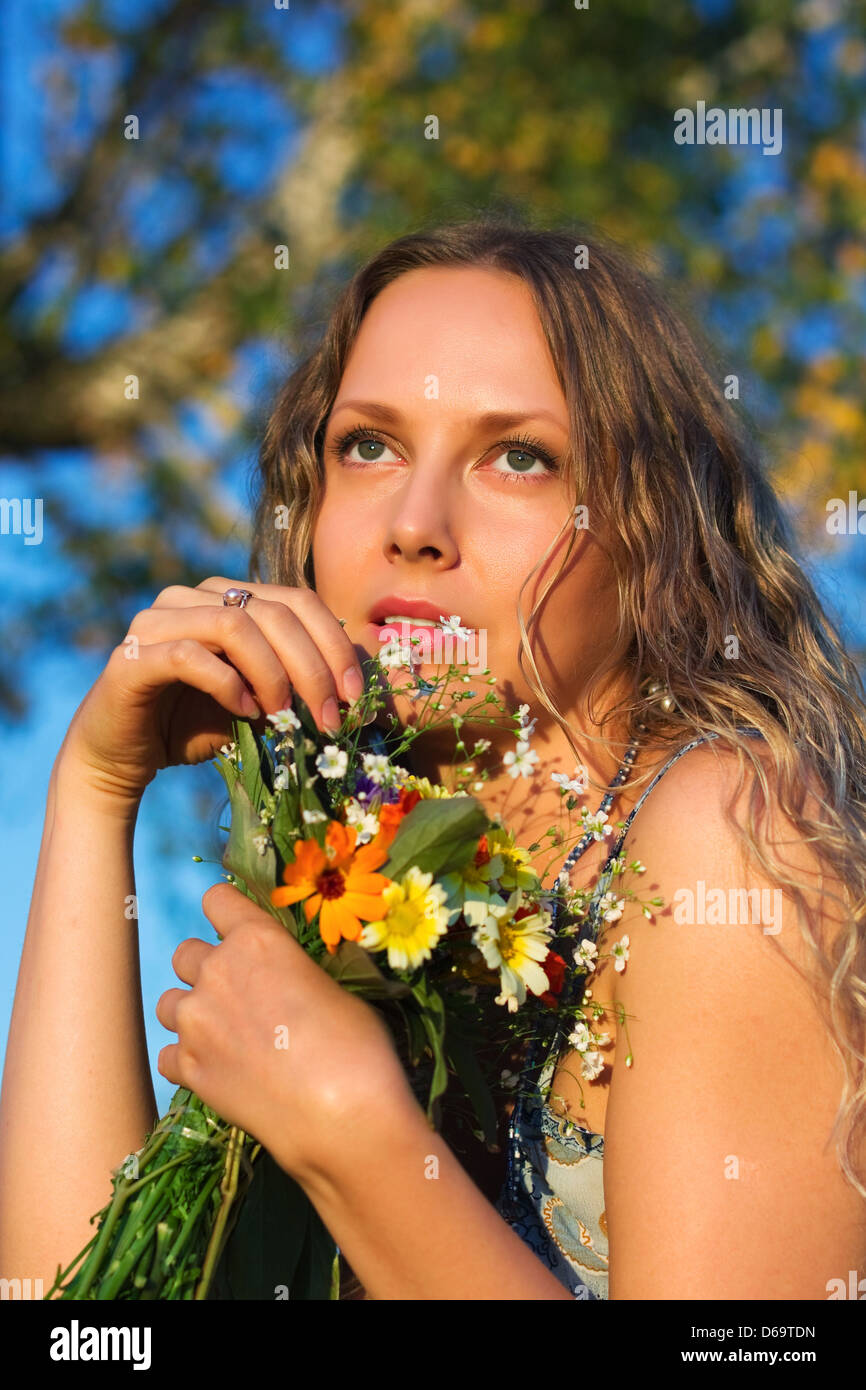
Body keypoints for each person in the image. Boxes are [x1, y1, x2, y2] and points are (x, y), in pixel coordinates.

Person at [2, 216, 865, 1301]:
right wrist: (93, 790)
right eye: (368, 444)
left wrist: (357, 1139)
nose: (414, 524)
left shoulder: (726, 835)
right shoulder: (361, 868)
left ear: (650, 528)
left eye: (517, 458)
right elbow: (74, 1315)